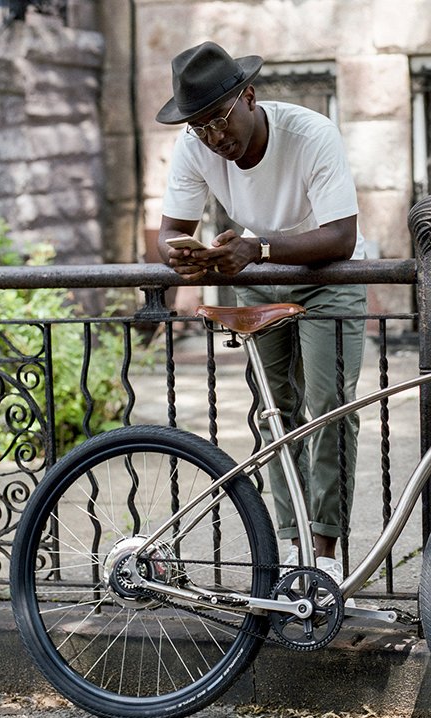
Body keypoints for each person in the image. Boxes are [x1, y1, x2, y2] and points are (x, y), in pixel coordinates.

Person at [155, 41, 367, 590]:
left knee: (330, 407)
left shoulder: (310, 133)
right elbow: (169, 230)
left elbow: (341, 236)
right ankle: (291, 546)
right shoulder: (195, 144)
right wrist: (181, 253)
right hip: (257, 281)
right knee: (276, 414)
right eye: (199, 127)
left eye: (219, 120)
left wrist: (259, 248)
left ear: (248, 96)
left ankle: (323, 554)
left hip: (330, 277)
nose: (213, 137)